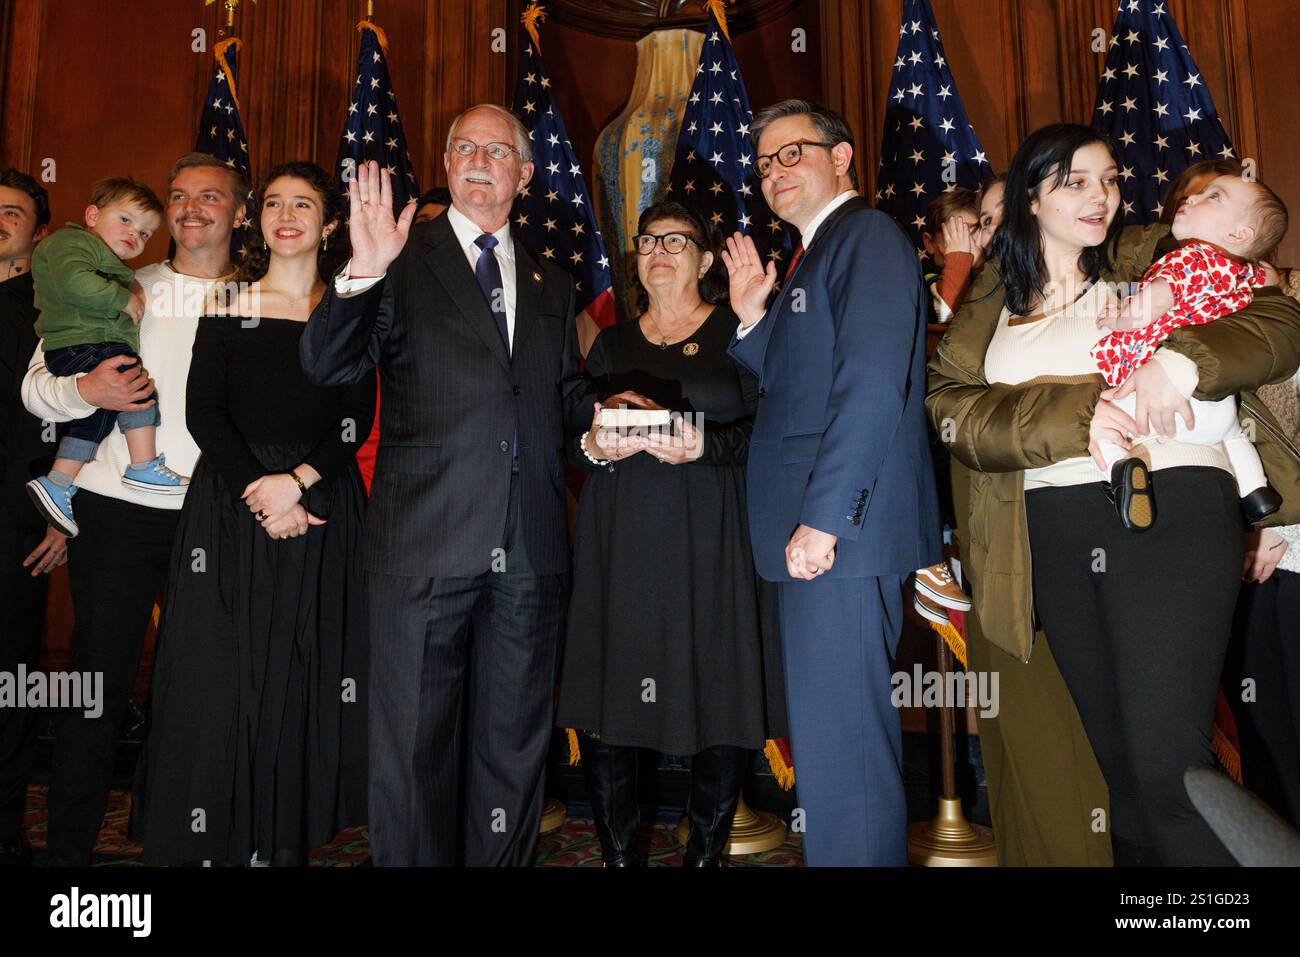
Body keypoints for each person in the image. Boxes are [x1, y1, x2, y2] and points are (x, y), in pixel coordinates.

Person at [927, 122, 1300, 865]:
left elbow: (1279, 323)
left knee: (1172, 773)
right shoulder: (988, 305)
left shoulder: (1153, 253)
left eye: (1108, 178)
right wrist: (1073, 414)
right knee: (1121, 777)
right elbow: (952, 411)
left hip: (1167, 502)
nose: (1100, 195)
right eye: (1075, 180)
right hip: (1048, 526)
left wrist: (1184, 367)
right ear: (1031, 197)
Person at [300, 104, 588, 866]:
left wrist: (614, 425)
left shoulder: (551, 282)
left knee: (514, 748)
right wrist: (361, 272)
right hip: (423, 548)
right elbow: (326, 365)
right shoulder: (399, 253)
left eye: (499, 150)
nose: (480, 159)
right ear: (447, 158)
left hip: (529, 552)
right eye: (464, 145)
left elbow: (560, 406)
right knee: (412, 754)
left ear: (524, 175)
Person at [721, 99, 941, 866]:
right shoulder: (818, 252)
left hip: (837, 537)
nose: (775, 172)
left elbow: (873, 384)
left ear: (842, 157)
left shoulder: (867, 236)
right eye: (765, 162)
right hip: (818, 537)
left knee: (844, 756)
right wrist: (755, 320)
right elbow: (802, 381)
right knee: (829, 747)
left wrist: (824, 519)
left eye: (793, 153)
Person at [136, 162, 372, 866]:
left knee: (300, 672)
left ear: (330, 225)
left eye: (304, 204)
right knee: (219, 672)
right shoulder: (229, 304)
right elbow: (202, 412)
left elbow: (355, 420)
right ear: (257, 217)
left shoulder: (348, 311)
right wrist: (262, 491)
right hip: (230, 509)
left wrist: (296, 484)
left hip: (320, 505)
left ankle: (280, 840)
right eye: (273, 202)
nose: (286, 214)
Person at [22, 152, 248, 865]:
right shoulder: (120, 288)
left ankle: (177, 846)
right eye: (179, 196)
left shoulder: (266, 299)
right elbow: (35, 388)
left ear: (240, 213)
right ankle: (66, 859)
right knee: (97, 686)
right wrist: (85, 392)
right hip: (116, 516)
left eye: (210, 197)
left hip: (217, 518)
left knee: (203, 695)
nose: (190, 209)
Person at [555, 201, 786, 867]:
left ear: (707, 259)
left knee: (720, 689)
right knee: (611, 697)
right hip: (620, 539)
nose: (658, 250)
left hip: (712, 537)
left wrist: (703, 444)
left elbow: (773, 435)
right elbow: (572, 441)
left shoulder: (736, 334)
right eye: (648, 240)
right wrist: (596, 443)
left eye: (677, 240)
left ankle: (704, 857)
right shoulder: (609, 342)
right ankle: (620, 857)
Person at [1091, 173, 1288, 529]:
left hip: (1161, 404)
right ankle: (1256, 491)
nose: (1192, 197)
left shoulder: (1190, 258)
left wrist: (1117, 319)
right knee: (1234, 435)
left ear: (1239, 234)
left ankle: (1121, 474)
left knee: (1105, 424)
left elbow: (1146, 308)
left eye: (1213, 196)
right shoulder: (1246, 273)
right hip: (1215, 401)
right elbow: (1270, 287)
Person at [26, 179, 181, 539]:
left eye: (144, 233)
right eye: (125, 220)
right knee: (136, 390)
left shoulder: (103, 259)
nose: (135, 235)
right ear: (92, 214)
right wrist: (120, 299)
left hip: (87, 348)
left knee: (96, 421)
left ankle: (58, 481)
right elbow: (74, 282)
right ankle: (143, 464)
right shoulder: (70, 243)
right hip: (83, 345)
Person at [0, 169, 62, 867]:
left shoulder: (53, 310)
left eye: (13, 212)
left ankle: (4, 823)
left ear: (39, 231)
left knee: (8, 679)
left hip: (15, 522)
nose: (1, 219)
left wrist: (58, 512)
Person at [1228, 264, 1300, 830]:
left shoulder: (1287, 303)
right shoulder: (1193, 312)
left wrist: (1282, 524)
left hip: (1288, 546)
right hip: (1234, 551)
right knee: (1262, 732)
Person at [355, 191, 451, 494]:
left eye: (445, 225)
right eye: (423, 224)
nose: (432, 234)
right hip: (374, 487)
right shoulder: (376, 291)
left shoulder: (493, 312)